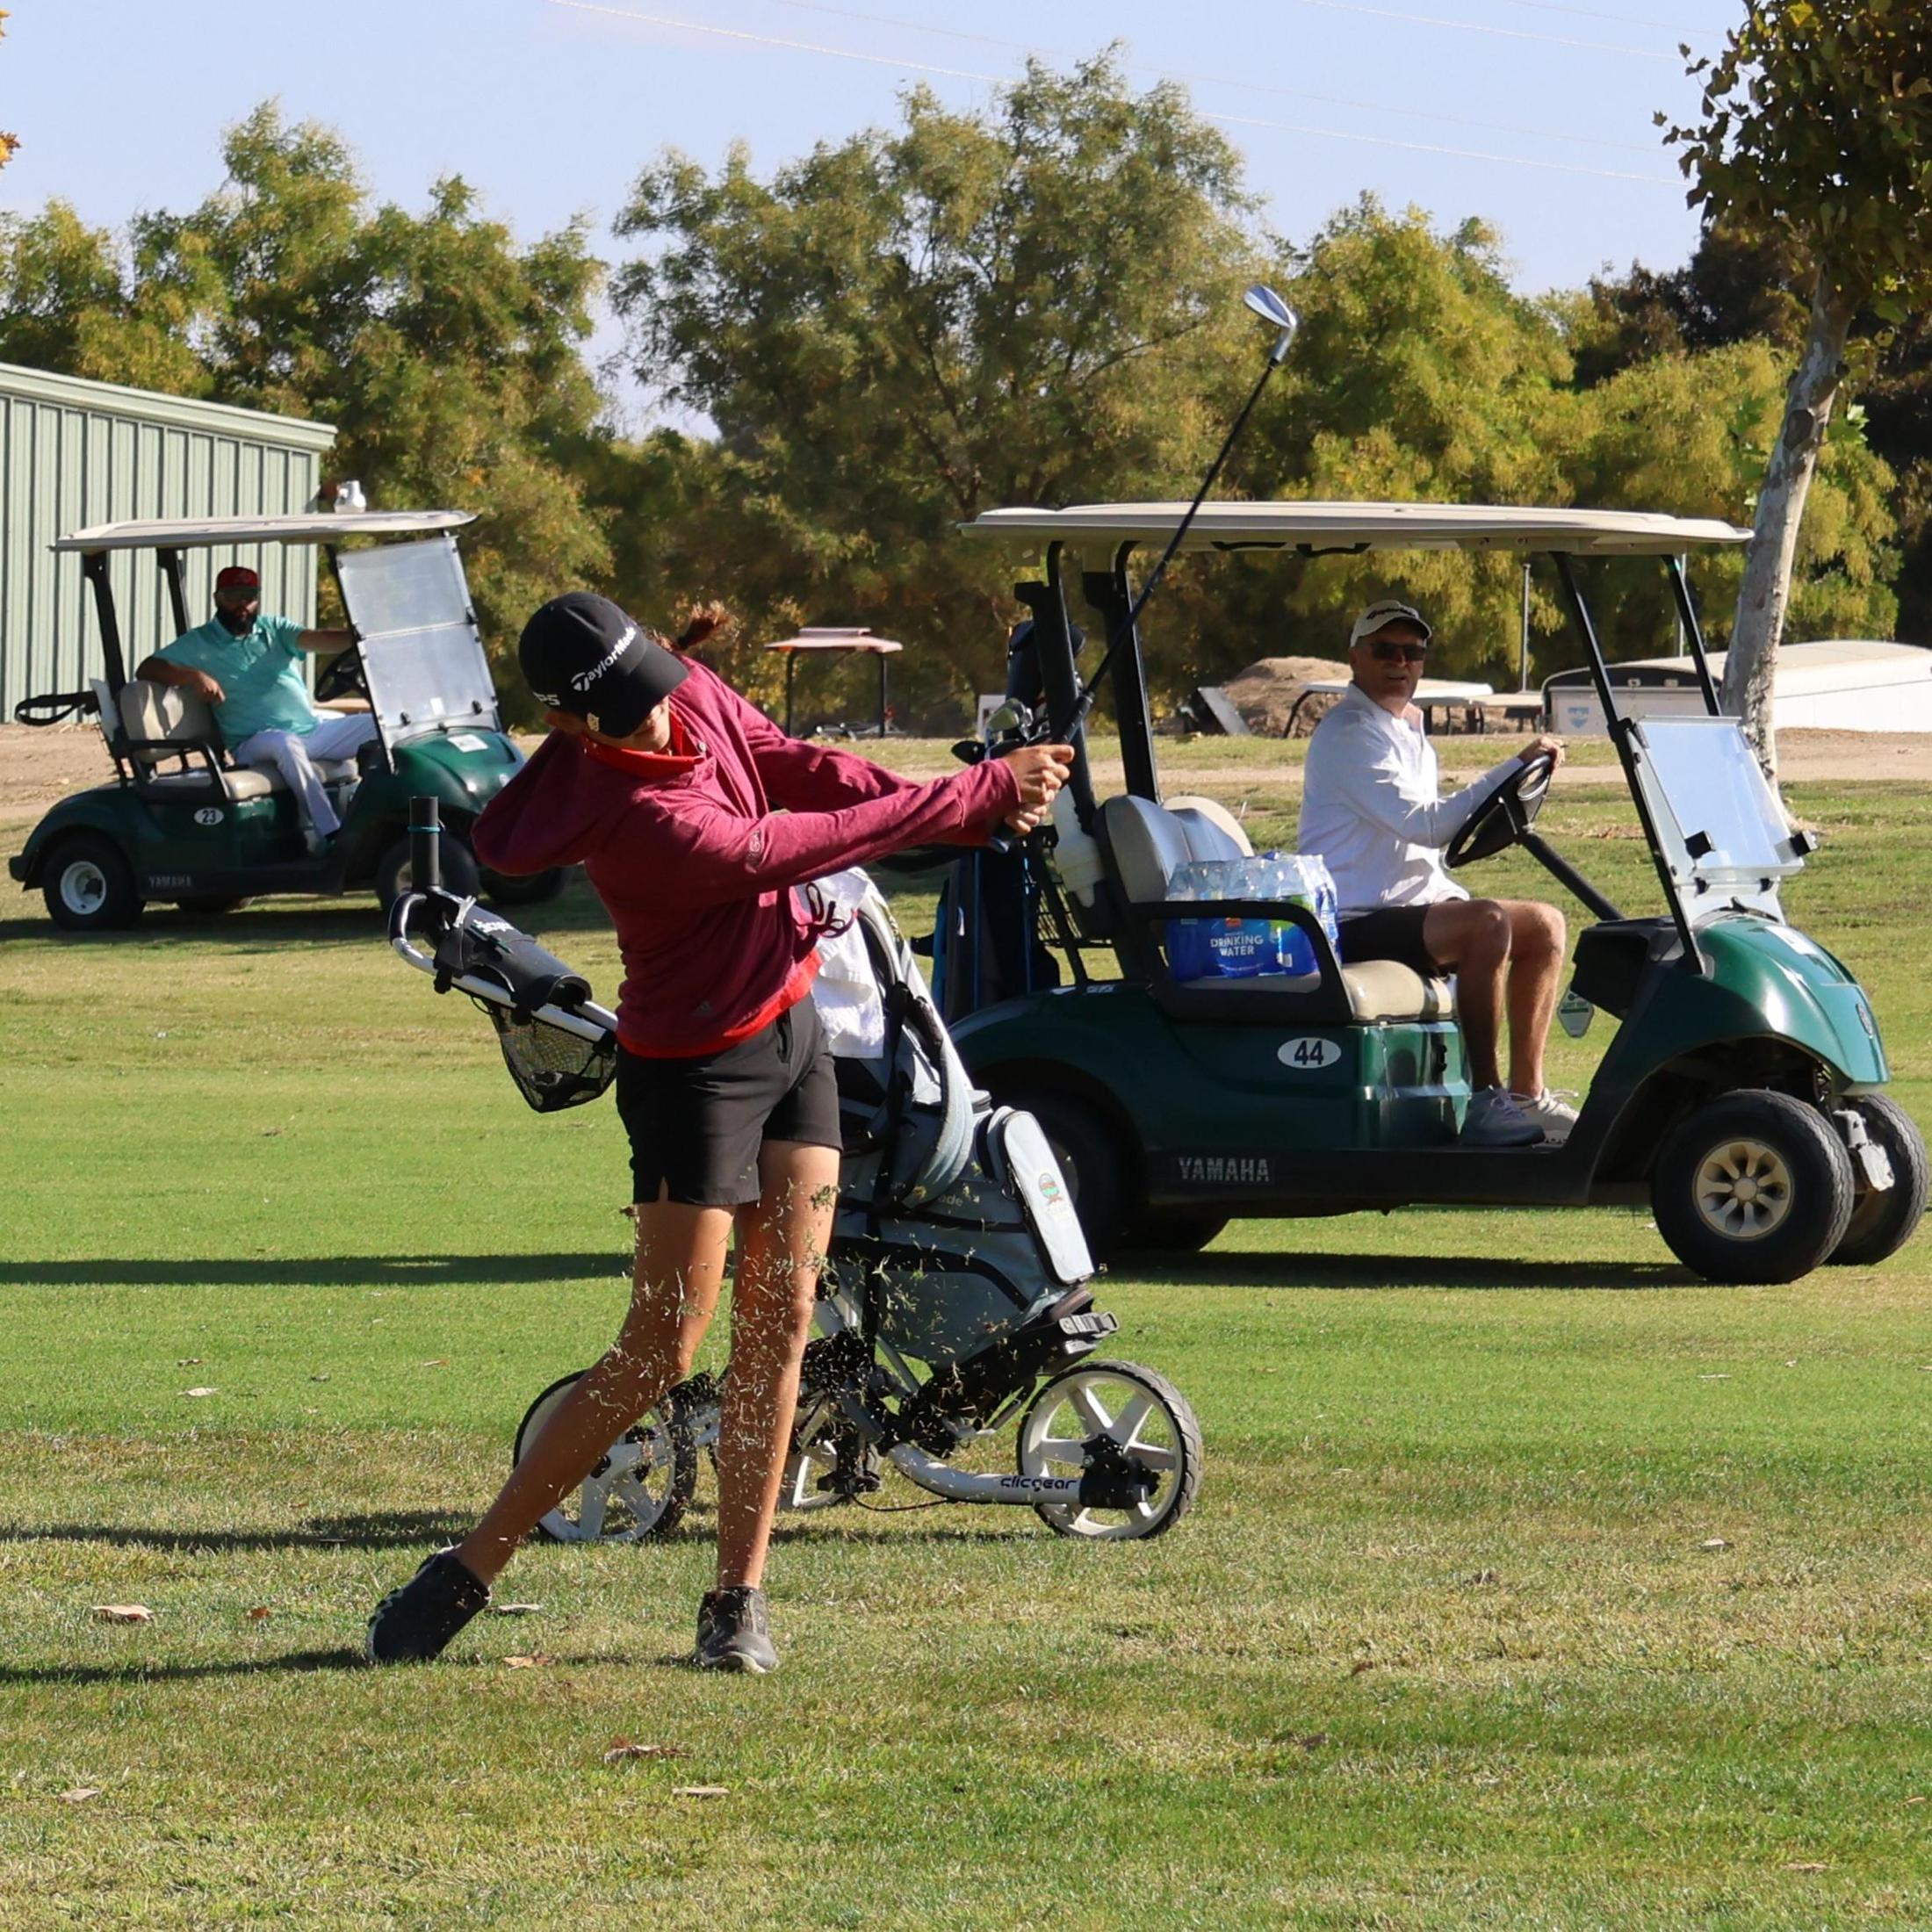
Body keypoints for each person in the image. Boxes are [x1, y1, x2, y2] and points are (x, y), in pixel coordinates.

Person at [365, 592, 1073, 1672]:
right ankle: (467, 1566)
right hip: (692, 1077)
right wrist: (966, 793)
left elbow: (791, 764)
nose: (661, 714)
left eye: (657, 684)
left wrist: (973, 809)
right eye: (628, 709)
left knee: (784, 1317)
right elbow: (779, 845)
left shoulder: (676, 688)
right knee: (663, 1344)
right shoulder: (637, 819)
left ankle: (735, 1603)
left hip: (795, 1040)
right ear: (573, 727)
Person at [1298, 598, 1577, 1148]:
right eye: (1385, 651)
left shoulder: (1405, 729)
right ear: (1355, 656)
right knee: (1487, 924)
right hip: (1356, 919)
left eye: (1413, 652)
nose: (1400, 663)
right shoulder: (1351, 732)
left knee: (1544, 925)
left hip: (1410, 908)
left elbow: (1434, 835)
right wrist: (1513, 765)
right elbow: (1427, 825)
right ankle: (1484, 1098)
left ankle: (1526, 1093)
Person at [134, 565, 371, 854]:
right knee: (286, 743)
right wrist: (193, 676)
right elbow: (147, 668)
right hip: (252, 742)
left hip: (310, 730)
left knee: (381, 725)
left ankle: (395, 819)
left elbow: (319, 639)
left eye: (249, 596)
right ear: (217, 598)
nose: (242, 605)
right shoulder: (200, 643)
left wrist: (365, 634)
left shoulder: (274, 629)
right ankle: (332, 834)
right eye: (233, 596)